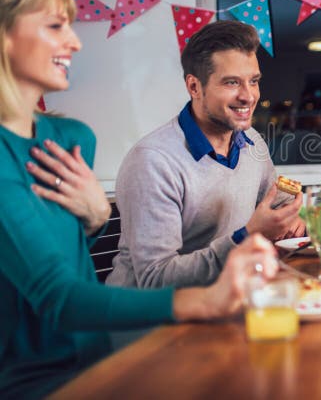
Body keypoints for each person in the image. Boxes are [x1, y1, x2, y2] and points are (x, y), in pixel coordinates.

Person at [0, 0, 279, 398]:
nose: (74, 42)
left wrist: (94, 221)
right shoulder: (153, 158)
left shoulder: (71, 139)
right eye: (55, 26)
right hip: (39, 378)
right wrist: (205, 299)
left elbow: (59, 256)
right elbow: (58, 297)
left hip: (95, 353)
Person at [107, 20, 304, 289]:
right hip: (151, 323)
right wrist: (247, 236)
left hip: (223, 300)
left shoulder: (252, 142)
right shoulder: (152, 161)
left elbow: (278, 206)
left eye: (254, 81)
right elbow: (154, 280)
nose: (248, 96)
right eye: (232, 82)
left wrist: (294, 217)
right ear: (194, 87)